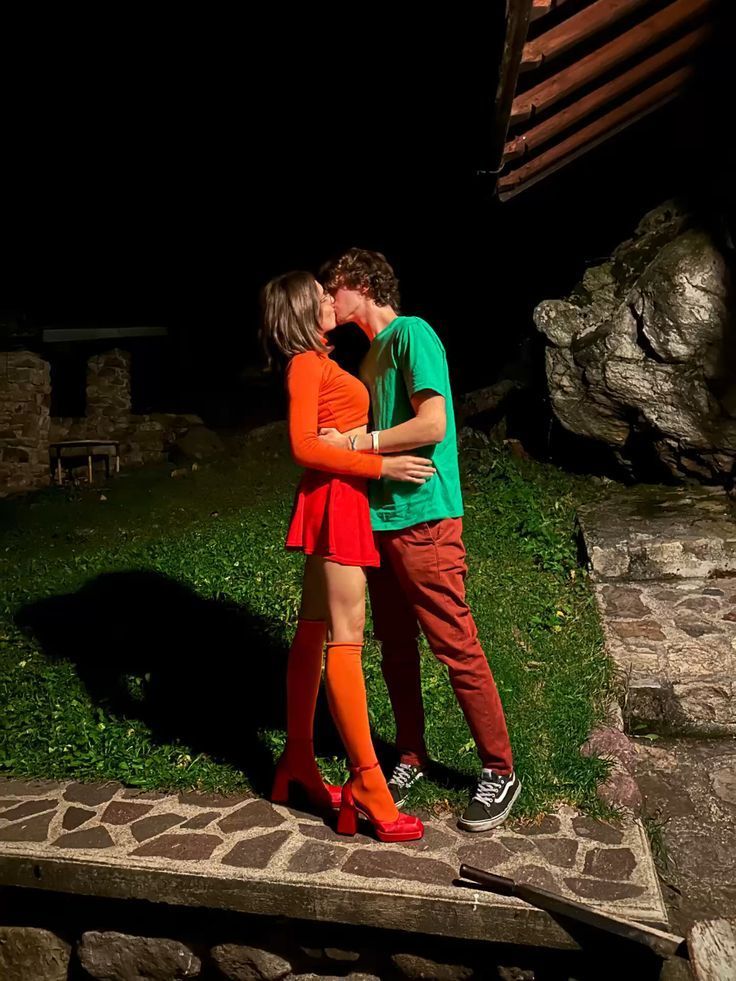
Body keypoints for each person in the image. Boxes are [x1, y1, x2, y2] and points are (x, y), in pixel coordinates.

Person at [319, 249, 521, 831]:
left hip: (425, 516)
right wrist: (346, 439)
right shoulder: (370, 358)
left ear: (359, 284)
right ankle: (410, 755)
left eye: (333, 288)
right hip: (379, 520)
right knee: (396, 649)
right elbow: (380, 429)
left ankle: (499, 770)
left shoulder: (412, 333)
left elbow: (434, 424)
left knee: (453, 643)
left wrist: (359, 444)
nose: (328, 301)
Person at [260, 269, 433, 842]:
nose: (328, 297)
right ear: (303, 308)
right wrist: (381, 465)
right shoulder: (306, 364)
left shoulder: (320, 360)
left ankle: (298, 762)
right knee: (345, 636)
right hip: (337, 500)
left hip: (337, 497)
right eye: (319, 292)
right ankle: (367, 783)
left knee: (312, 630)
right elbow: (303, 444)